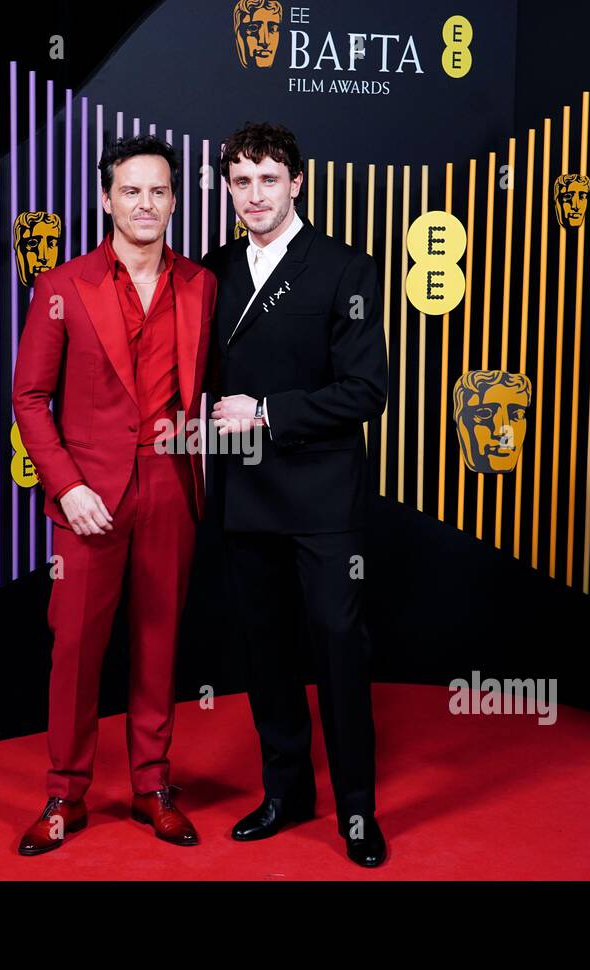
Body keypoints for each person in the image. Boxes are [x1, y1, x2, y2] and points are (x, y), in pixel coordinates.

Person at [10, 134, 217, 855]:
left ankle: (153, 786)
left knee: (158, 641)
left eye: (159, 191)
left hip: (170, 485)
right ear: (105, 199)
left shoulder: (200, 283)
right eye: (131, 190)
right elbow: (30, 398)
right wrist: (66, 488)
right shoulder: (63, 286)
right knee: (75, 650)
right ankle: (65, 794)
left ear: (174, 199)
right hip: (89, 499)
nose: (146, 204)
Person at [201, 121, 389, 866]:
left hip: (322, 499)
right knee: (266, 648)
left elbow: (365, 391)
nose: (255, 195)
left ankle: (356, 810)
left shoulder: (345, 269)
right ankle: (286, 792)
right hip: (245, 495)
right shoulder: (211, 271)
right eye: (241, 182)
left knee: (339, 648)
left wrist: (268, 412)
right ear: (227, 189)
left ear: (297, 183)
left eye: (268, 179)